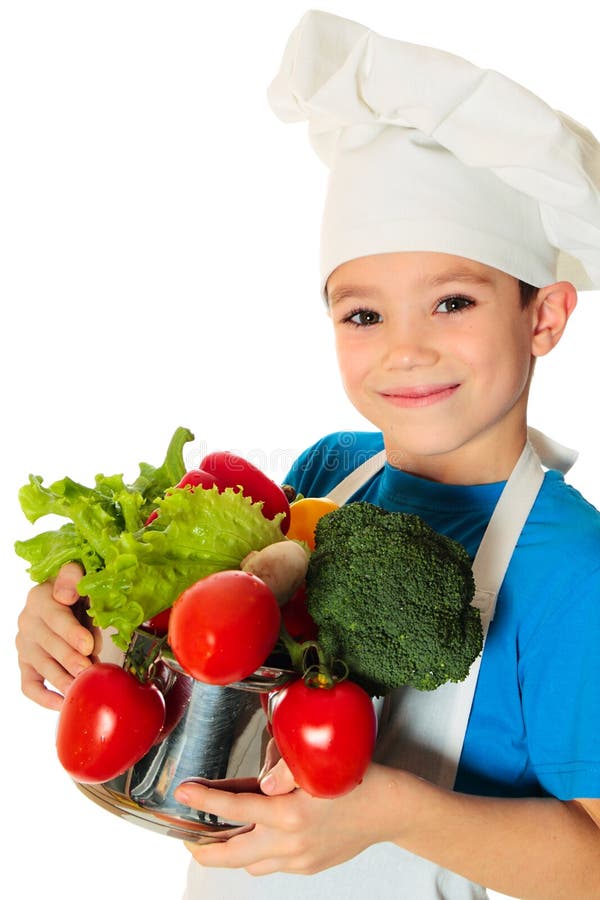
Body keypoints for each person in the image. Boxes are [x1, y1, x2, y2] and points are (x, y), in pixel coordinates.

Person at [15, 10, 600, 900]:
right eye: (364, 314)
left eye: (451, 302)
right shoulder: (328, 474)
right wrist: (70, 621)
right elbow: (210, 654)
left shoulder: (573, 573)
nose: (406, 348)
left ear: (544, 317)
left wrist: (392, 811)